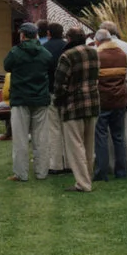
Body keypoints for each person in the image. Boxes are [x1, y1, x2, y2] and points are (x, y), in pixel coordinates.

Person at [3, 22, 56, 182]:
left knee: (20, 138)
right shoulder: (45, 53)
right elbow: (51, 69)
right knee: (41, 138)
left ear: (23, 35)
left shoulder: (15, 52)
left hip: (20, 99)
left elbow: (7, 66)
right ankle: (42, 172)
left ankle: (21, 173)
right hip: (40, 98)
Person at [54, 27, 101, 192]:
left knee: (76, 146)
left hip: (73, 105)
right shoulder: (95, 53)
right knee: (89, 146)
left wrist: (59, 99)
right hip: (93, 103)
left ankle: (83, 183)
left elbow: (59, 84)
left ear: (69, 38)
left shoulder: (67, 56)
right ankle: (88, 178)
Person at [93, 29, 127, 182]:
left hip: (103, 99)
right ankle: (121, 170)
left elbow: (94, 79)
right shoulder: (122, 54)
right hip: (120, 100)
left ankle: (102, 171)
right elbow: (125, 76)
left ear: (98, 41)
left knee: (101, 136)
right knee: (119, 136)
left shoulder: (97, 55)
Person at [43, 22, 71, 175]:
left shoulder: (45, 48)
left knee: (54, 128)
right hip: (68, 92)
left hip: (51, 90)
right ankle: (69, 162)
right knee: (68, 127)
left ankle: (55, 163)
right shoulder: (69, 47)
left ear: (48, 33)